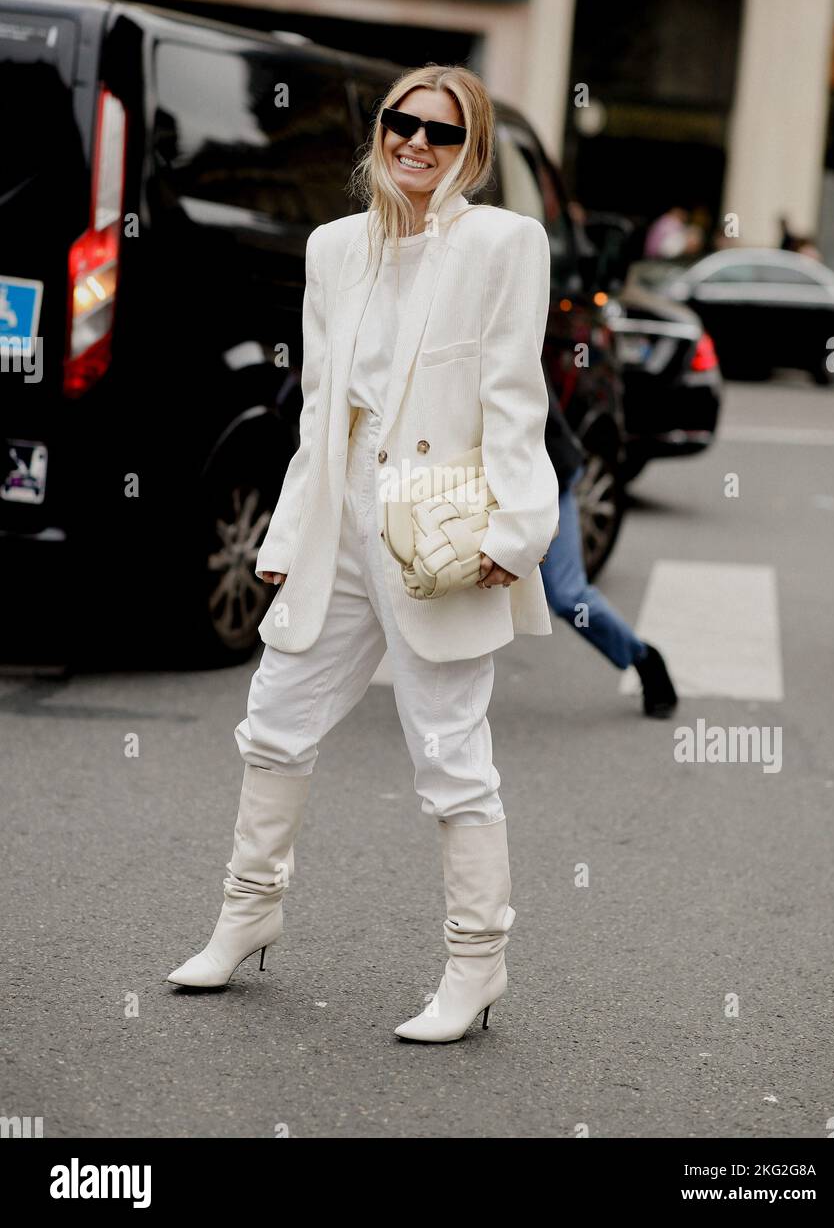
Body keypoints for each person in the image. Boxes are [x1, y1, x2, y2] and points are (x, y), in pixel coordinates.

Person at [167, 65, 561, 1045]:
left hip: (433, 529)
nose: (414, 142)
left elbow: (516, 398)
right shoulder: (335, 247)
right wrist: (290, 530)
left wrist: (516, 532)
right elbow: (318, 412)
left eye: (439, 130)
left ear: (467, 150)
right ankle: (247, 912)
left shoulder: (504, 244)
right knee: (272, 722)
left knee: (449, 757)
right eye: (400, 122)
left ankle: (476, 962)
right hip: (340, 527)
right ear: (379, 131)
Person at [541, 369, 678, 717]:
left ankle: (643, 658)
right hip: (468, 479)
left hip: (544, 474)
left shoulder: (501, 324)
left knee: (567, 596)